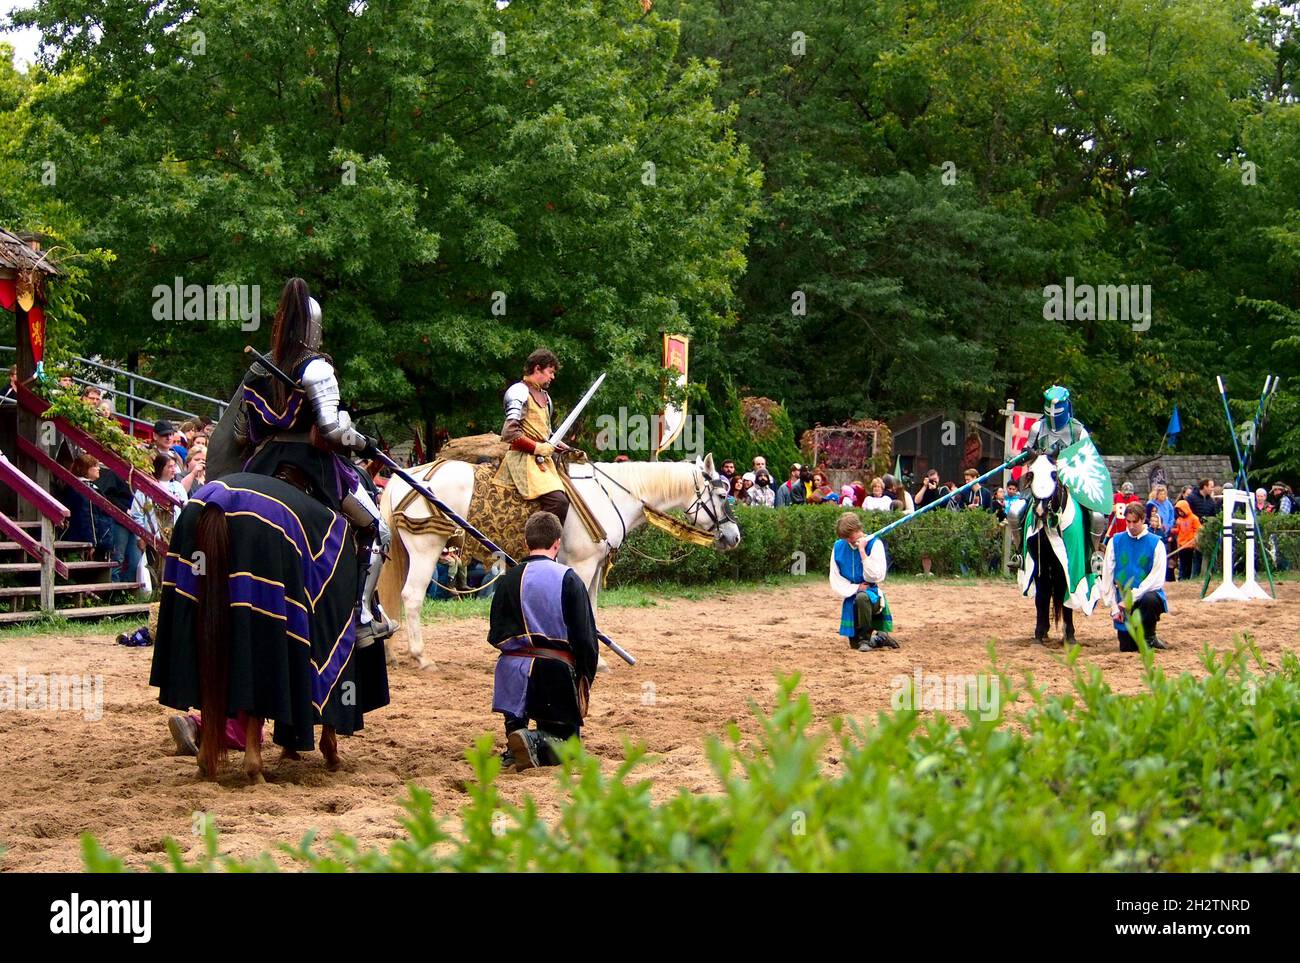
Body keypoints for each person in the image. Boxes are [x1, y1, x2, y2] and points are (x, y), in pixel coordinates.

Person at [235, 277, 398, 646]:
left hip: (261, 464)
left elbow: (240, 434)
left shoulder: (258, 371)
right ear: (314, 329)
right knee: (377, 530)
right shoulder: (317, 368)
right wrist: (365, 442)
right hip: (311, 465)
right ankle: (361, 617)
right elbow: (333, 431)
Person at [487, 511, 599, 771]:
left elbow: (496, 635)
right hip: (554, 675)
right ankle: (534, 739)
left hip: (511, 677)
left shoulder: (506, 581)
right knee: (569, 751)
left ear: (526, 543)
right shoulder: (569, 579)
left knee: (522, 719)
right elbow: (585, 640)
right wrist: (584, 679)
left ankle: (517, 739)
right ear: (557, 543)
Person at [500, 348, 575, 526]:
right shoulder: (519, 392)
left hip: (542, 461)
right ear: (537, 369)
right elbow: (510, 432)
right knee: (558, 502)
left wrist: (569, 449)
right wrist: (538, 447)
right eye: (550, 372)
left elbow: (546, 434)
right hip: (523, 459)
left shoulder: (546, 398)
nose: (552, 377)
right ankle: (537, 545)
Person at [1101, 502, 1169, 652]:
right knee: (1127, 648)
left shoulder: (1156, 543)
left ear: (1143, 520)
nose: (1131, 526)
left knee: (1149, 599)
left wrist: (1132, 597)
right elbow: (1107, 576)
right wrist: (1114, 608)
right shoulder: (1115, 541)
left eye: (1135, 522)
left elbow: (1156, 580)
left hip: (1145, 596)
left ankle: (1149, 636)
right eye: (1128, 521)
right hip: (1122, 602)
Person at [828, 512, 897, 651]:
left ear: (857, 529)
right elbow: (835, 579)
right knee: (854, 646)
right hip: (851, 594)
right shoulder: (838, 547)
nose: (848, 540)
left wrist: (862, 551)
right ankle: (880, 638)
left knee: (862, 598)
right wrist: (856, 587)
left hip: (872, 596)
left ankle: (865, 637)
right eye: (845, 537)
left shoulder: (874, 544)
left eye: (850, 536)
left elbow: (876, 576)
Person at [1025, 385, 1090, 454]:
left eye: (1057, 411)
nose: (1052, 415)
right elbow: (1024, 456)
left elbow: (1088, 459)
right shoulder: (1037, 428)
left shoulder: (1079, 432)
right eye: (1049, 411)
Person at [1170, 497, 1201, 581]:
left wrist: (1194, 539)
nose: (1180, 512)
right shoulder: (1179, 520)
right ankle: (1183, 578)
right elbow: (1179, 530)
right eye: (1178, 511)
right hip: (1181, 545)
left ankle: (1187, 578)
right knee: (1182, 563)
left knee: (1189, 563)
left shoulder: (1194, 518)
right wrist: (1173, 531)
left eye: (1181, 510)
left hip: (1190, 545)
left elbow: (1198, 529)